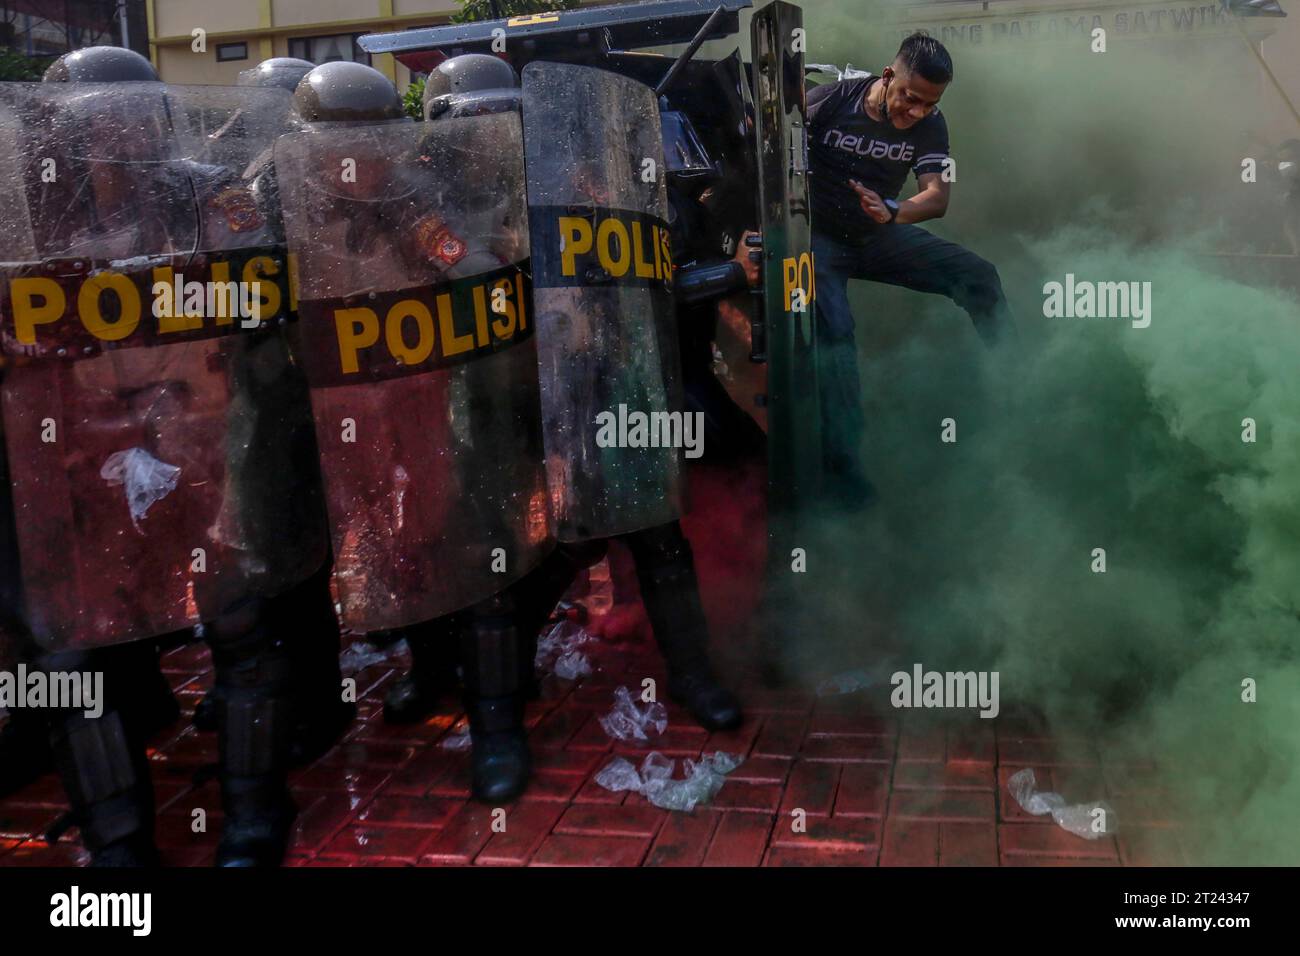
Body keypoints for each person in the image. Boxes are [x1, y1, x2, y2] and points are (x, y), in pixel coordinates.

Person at [807, 32, 1014, 508]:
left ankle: (1016, 383)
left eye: (929, 103)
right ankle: (844, 474)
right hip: (819, 242)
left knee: (980, 276)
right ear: (887, 77)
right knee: (835, 335)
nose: (916, 112)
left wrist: (893, 211)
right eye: (910, 98)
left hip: (878, 235)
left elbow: (937, 197)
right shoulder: (831, 100)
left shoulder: (930, 124)